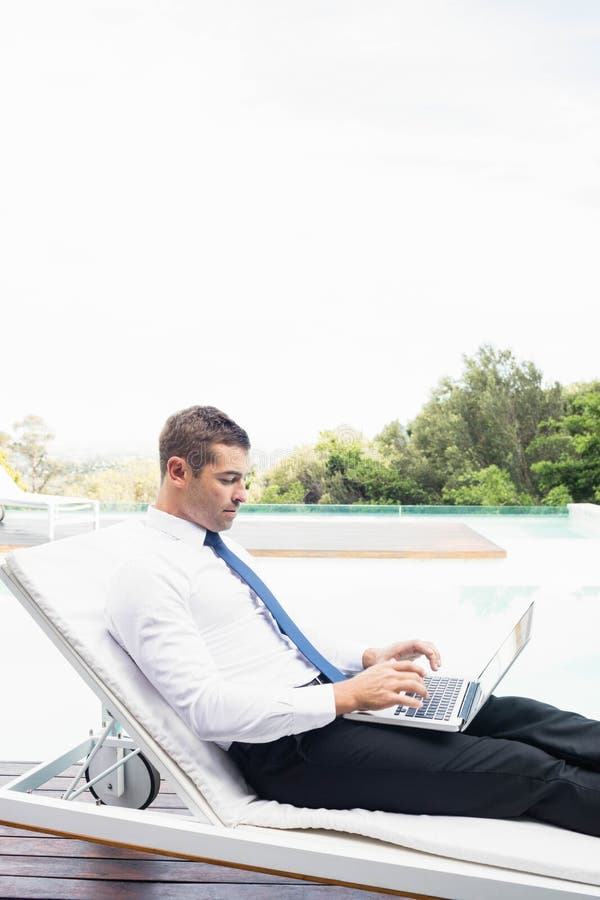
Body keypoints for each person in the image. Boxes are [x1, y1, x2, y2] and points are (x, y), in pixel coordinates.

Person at [106, 405, 600, 838]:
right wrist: (348, 696)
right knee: (530, 771)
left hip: (333, 702)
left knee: (517, 715)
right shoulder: (148, 574)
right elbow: (206, 709)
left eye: (243, 479)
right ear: (178, 471)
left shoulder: (219, 544)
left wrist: (367, 659)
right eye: (228, 480)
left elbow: (281, 634)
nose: (242, 494)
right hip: (291, 752)